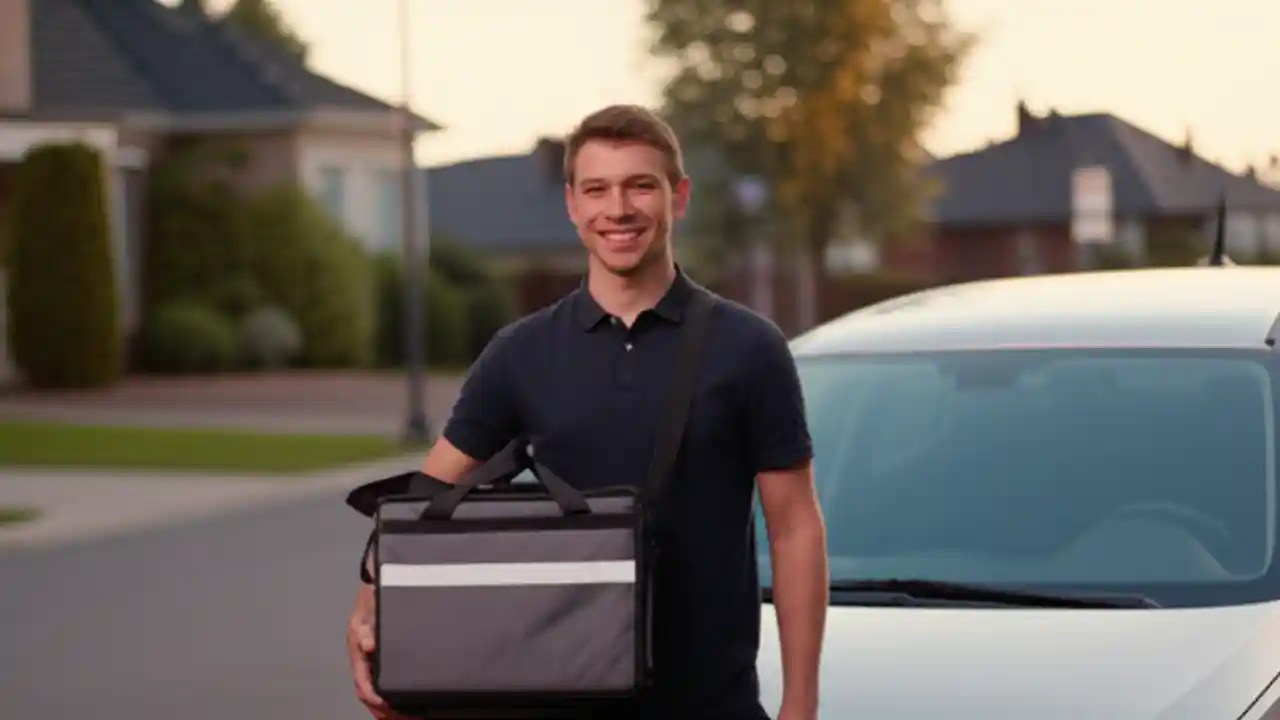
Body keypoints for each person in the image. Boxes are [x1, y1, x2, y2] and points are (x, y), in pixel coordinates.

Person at [346, 104, 828, 720]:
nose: (618, 210)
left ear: (678, 198)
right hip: (558, 698)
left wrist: (801, 703)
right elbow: (425, 501)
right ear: (572, 204)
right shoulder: (520, 352)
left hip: (712, 705)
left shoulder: (749, 348)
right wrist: (368, 613)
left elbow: (794, 529)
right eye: (597, 189)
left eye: (640, 186)